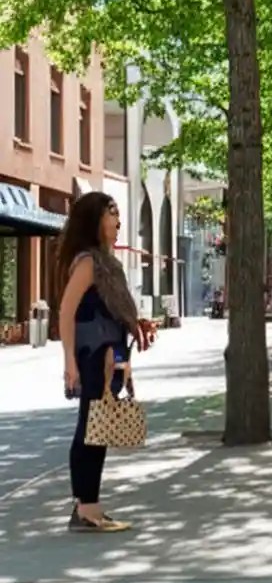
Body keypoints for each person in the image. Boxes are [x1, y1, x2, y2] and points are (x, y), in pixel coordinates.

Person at [57, 192, 155, 533]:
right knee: (90, 428)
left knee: (96, 428)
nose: (117, 221)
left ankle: (89, 507)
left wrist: (136, 323)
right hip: (93, 355)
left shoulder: (106, 262)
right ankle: (85, 509)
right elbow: (66, 312)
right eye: (111, 213)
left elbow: (112, 307)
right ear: (95, 219)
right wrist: (69, 362)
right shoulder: (88, 262)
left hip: (109, 355)